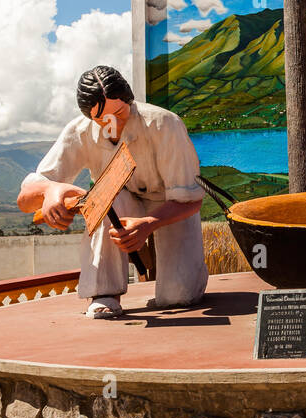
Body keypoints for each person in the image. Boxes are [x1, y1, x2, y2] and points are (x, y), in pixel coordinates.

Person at [16, 66, 208, 318]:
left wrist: (148, 223)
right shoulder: (79, 131)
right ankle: (104, 292)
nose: (112, 124)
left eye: (119, 113)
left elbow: (191, 200)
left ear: (129, 100)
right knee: (107, 198)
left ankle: (187, 276)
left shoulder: (164, 124)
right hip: (120, 203)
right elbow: (25, 199)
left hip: (170, 206)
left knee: (179, 297)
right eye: (101, 119)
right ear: (89, 116)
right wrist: (52, 189)